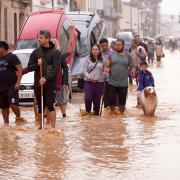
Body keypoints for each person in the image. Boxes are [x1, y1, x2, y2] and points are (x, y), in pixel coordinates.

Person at [28, 30, 60, 129]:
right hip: (38, 83)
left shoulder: (55, 52)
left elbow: (55, 69)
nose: (39, 39)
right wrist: (37, 64)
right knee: (40, 105)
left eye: (41, 38)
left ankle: (53, 129)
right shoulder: (36, 52)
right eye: (39, 37)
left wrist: (46, 78)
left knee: (50, 104)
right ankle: (41, 127)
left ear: (47, 39)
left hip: (50, 84)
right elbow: (30, 67)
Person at [105, 39, 135, 115]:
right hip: (112, 82)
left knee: (122, 103)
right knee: (111, 101)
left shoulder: (128, 56)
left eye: (119, 45)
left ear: (123, 46)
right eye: (116, 45)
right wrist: (106, 69)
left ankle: (121, 117)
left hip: (123, 83)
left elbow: (133, 66)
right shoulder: (111, 55)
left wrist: (133, 71)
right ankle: (113, 116)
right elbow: (107, 66)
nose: (117, 46)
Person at [0, 41, 25, 124]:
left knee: (13, 104)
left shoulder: (12, 57)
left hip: (12, 85)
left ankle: (18, 118)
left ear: (2, 48)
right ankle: (6, 125)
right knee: (4, 107)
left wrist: (18, 82)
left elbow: (20, 69)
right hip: (1, 87)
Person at [80, 44, 104, 116]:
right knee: (88, 98)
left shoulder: (102, 59)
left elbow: (104, 71)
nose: (95, 51)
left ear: (99, 51)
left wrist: (98, 78)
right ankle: (87, 113)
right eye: (93, 49)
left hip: (99, 83)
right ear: (91, 50)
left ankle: (95, 119)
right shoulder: (87, 58)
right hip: (88, 82)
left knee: (97, 101)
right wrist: (90, 78)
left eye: (96, 49)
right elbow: (84, 71)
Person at [51, 39, 69, 119]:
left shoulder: (60, 56)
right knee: (48, 101)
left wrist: (65, 82)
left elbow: (65, 69)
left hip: (59, 82)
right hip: (48, 82)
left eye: (54, 45)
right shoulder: (45, 54)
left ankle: (64, 116)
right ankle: (46, 117)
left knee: (60, 100)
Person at [99, 38, 113, 109]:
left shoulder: (113, 53)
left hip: (112, 78)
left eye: (105, 45)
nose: (104, 47)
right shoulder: (99, 54)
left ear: (108, 45)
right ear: (100, 46)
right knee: (105, 96)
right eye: (102, 46)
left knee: (112, 96)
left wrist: (109, 68)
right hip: (102, 78)